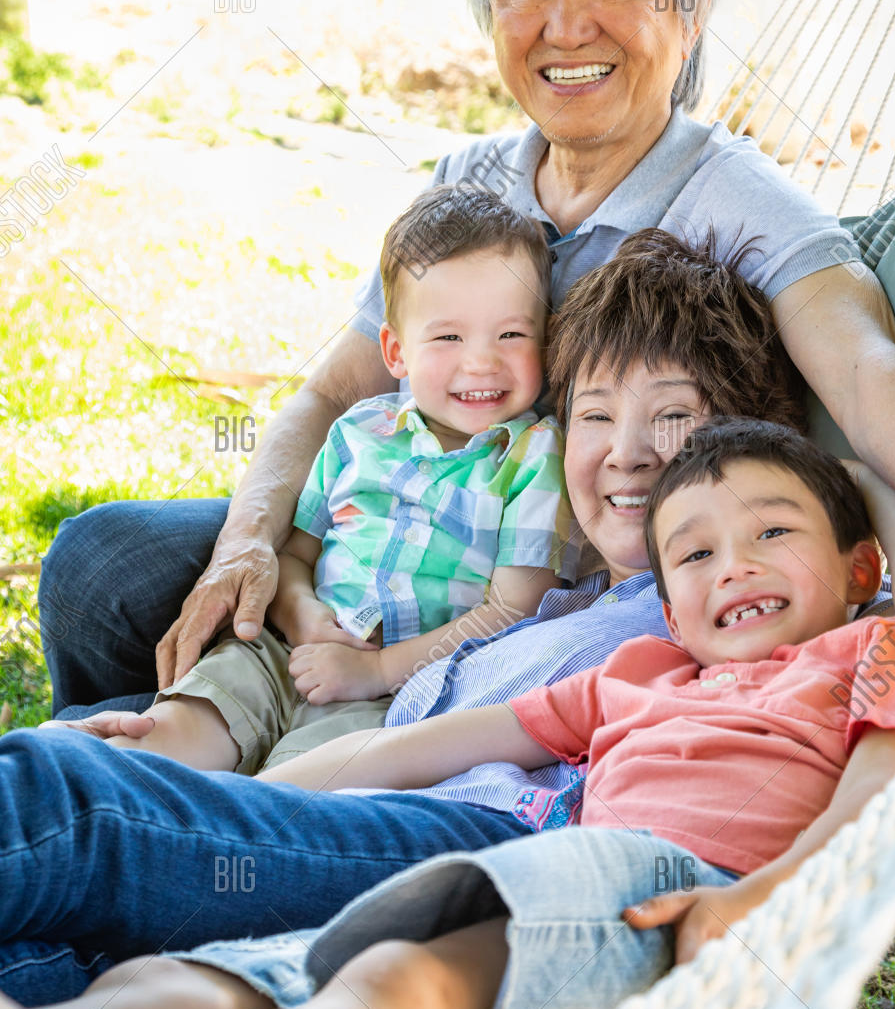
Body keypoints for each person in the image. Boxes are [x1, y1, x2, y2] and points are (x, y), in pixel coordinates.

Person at [38, 0, 895, 717]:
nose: (566, 27)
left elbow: (867, 367)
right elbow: (337, 388)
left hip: (542, 595)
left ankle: (163, 820)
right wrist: (253, 539)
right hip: (396, 534)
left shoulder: (742, 203)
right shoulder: (470, 181)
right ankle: (151, 797)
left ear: (690, 8)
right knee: (100, 566)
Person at [1, 419, 895, 1009]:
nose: (737, 564)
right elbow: (409, 751)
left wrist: (777, 897)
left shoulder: (876, 648)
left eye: (773, 531)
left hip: (673, 894)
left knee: (399, 993)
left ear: (860, 570)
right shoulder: (641, 673)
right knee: (180, 958)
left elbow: (886, 795)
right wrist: (185, 797)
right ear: (671, 611)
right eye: (694, 554)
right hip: (534, 855)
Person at [3, 232, 825, 1008]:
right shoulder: (567, 598)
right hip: (350, 787)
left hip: (458, 847)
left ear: (754, 442)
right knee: (71, 762)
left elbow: (857, 550)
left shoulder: (715, 620)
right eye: (597, 415)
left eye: (674, 416)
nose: (629, 452)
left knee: (65, 798)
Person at [100, 183, 578, 774]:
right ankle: (86, 797)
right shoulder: (360, 431)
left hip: (398, 698)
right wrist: (299, 614)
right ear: (395, 352)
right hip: (277, 657)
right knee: (162, 745)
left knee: (284, 803)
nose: (480, 361)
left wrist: (375, 670)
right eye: (448, 337)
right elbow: (298, 552)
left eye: (511, 334)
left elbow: (514, 609)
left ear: (545, 340)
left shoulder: (532, 457)